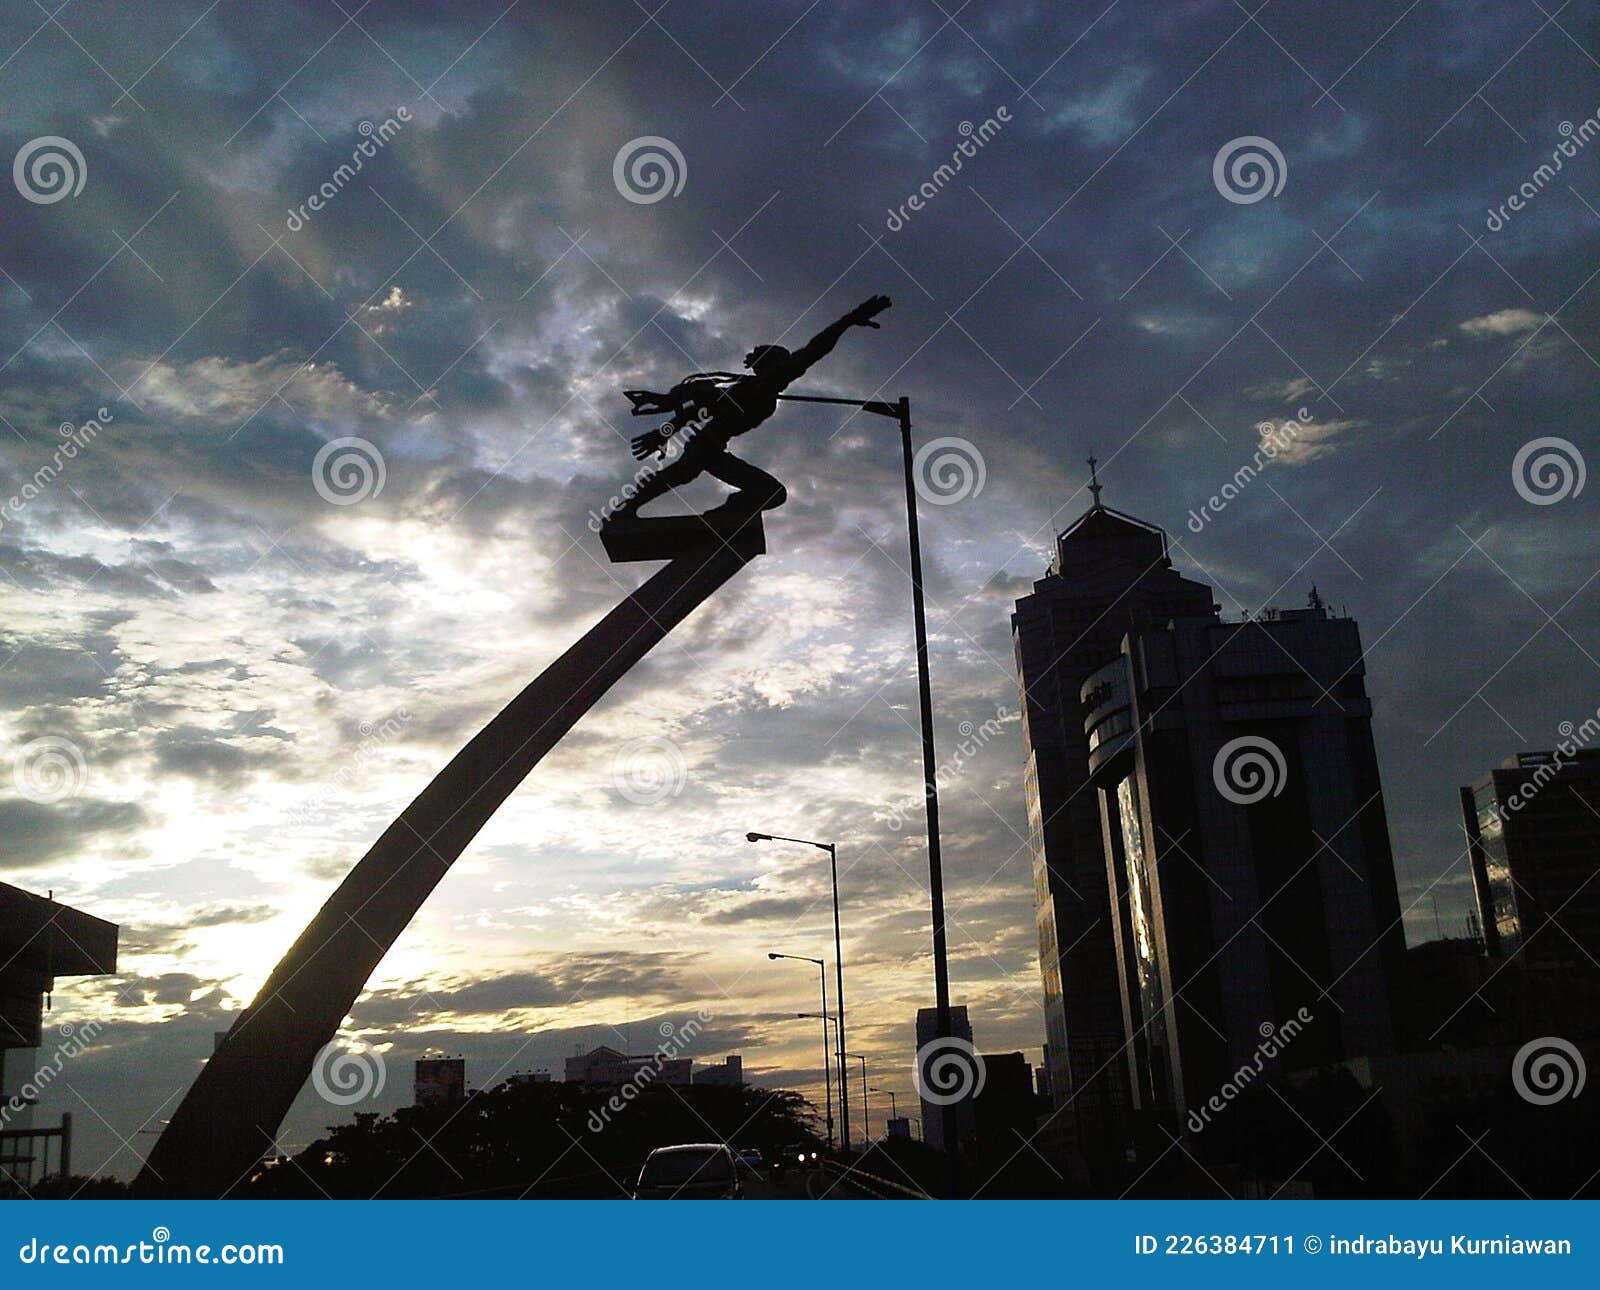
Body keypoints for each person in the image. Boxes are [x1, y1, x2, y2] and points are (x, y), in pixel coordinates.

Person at [610, 295, 891, 521]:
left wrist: (665, 431)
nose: (793, 369)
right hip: (707, 446)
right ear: (772, 365)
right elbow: (815, 349)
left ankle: (644, 509)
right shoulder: (763, 385)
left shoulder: (750, 389)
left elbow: (695, 409)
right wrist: (848, 320)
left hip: (709, 447)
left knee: (687, 476)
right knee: (764, 491)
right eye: (785, 362)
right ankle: (633, 510)